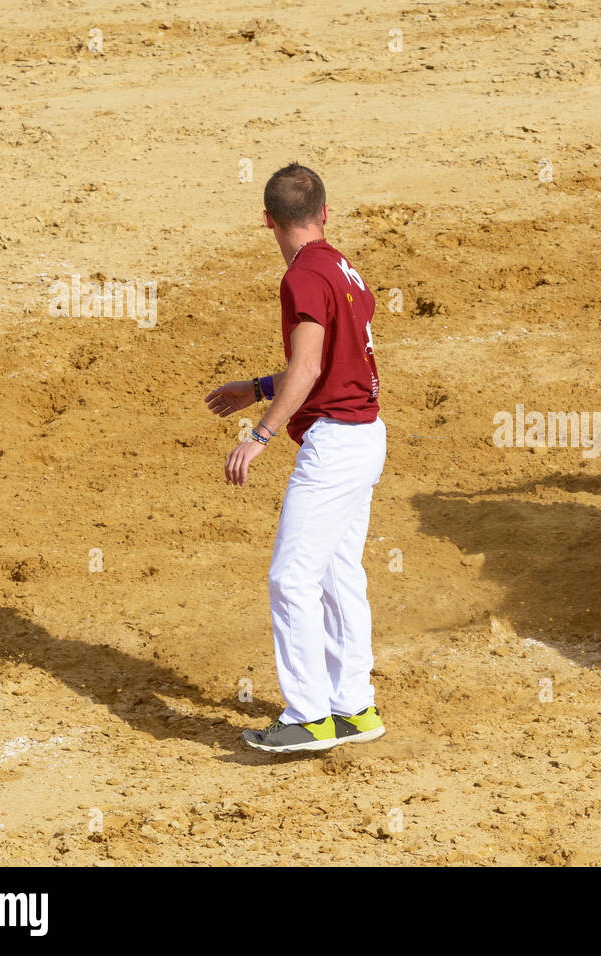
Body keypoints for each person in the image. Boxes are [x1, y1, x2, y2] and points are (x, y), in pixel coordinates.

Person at [205, 163, 387, 754]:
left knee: (291, 578)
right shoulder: (343, 268)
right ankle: (354, 707)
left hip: (334, 445)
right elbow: (331, 364)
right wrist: (259, 385)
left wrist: (257, 436)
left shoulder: (304, 277)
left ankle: (309, 715)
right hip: (365, 436)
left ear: (268, 222)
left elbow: (309, 368)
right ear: (325, 214)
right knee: (338, 574)